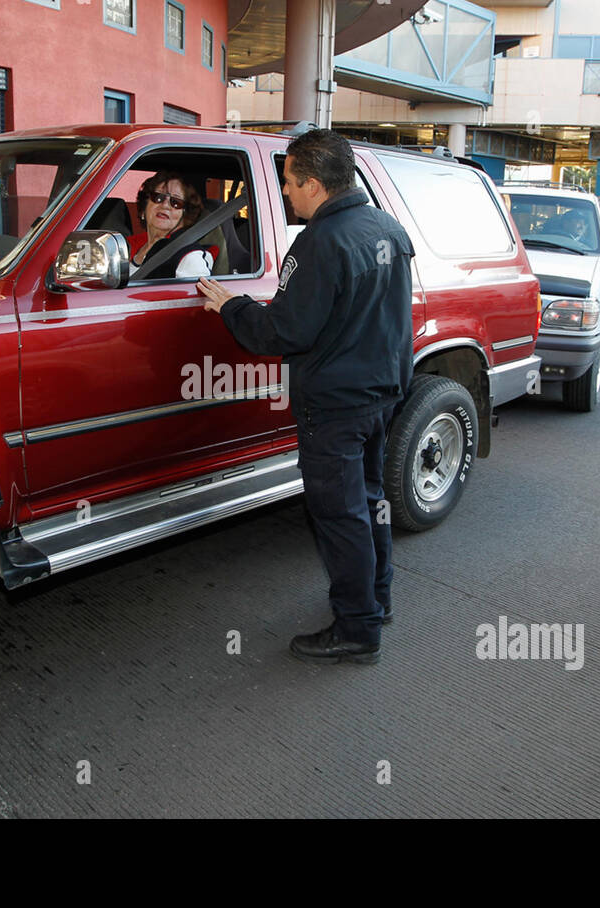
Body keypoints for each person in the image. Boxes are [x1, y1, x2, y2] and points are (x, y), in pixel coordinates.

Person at [195, 129, 414, 664]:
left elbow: (283, 333)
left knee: (340, 517)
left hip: (334, 406)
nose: (286, 193)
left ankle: (358, 629)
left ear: (314, 184)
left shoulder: (321, 241)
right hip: (379, 396)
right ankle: (375, 601)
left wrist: (230, 306)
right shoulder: (387, 226)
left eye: (290, 183)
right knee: (368, 504)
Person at [128, 172, 219, 280]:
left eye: (175, 202)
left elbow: (195, 295)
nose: (165, 205)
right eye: (158, 197)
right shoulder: (124, 248)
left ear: (185, 216)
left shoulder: (190, 256)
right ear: (144, 207)